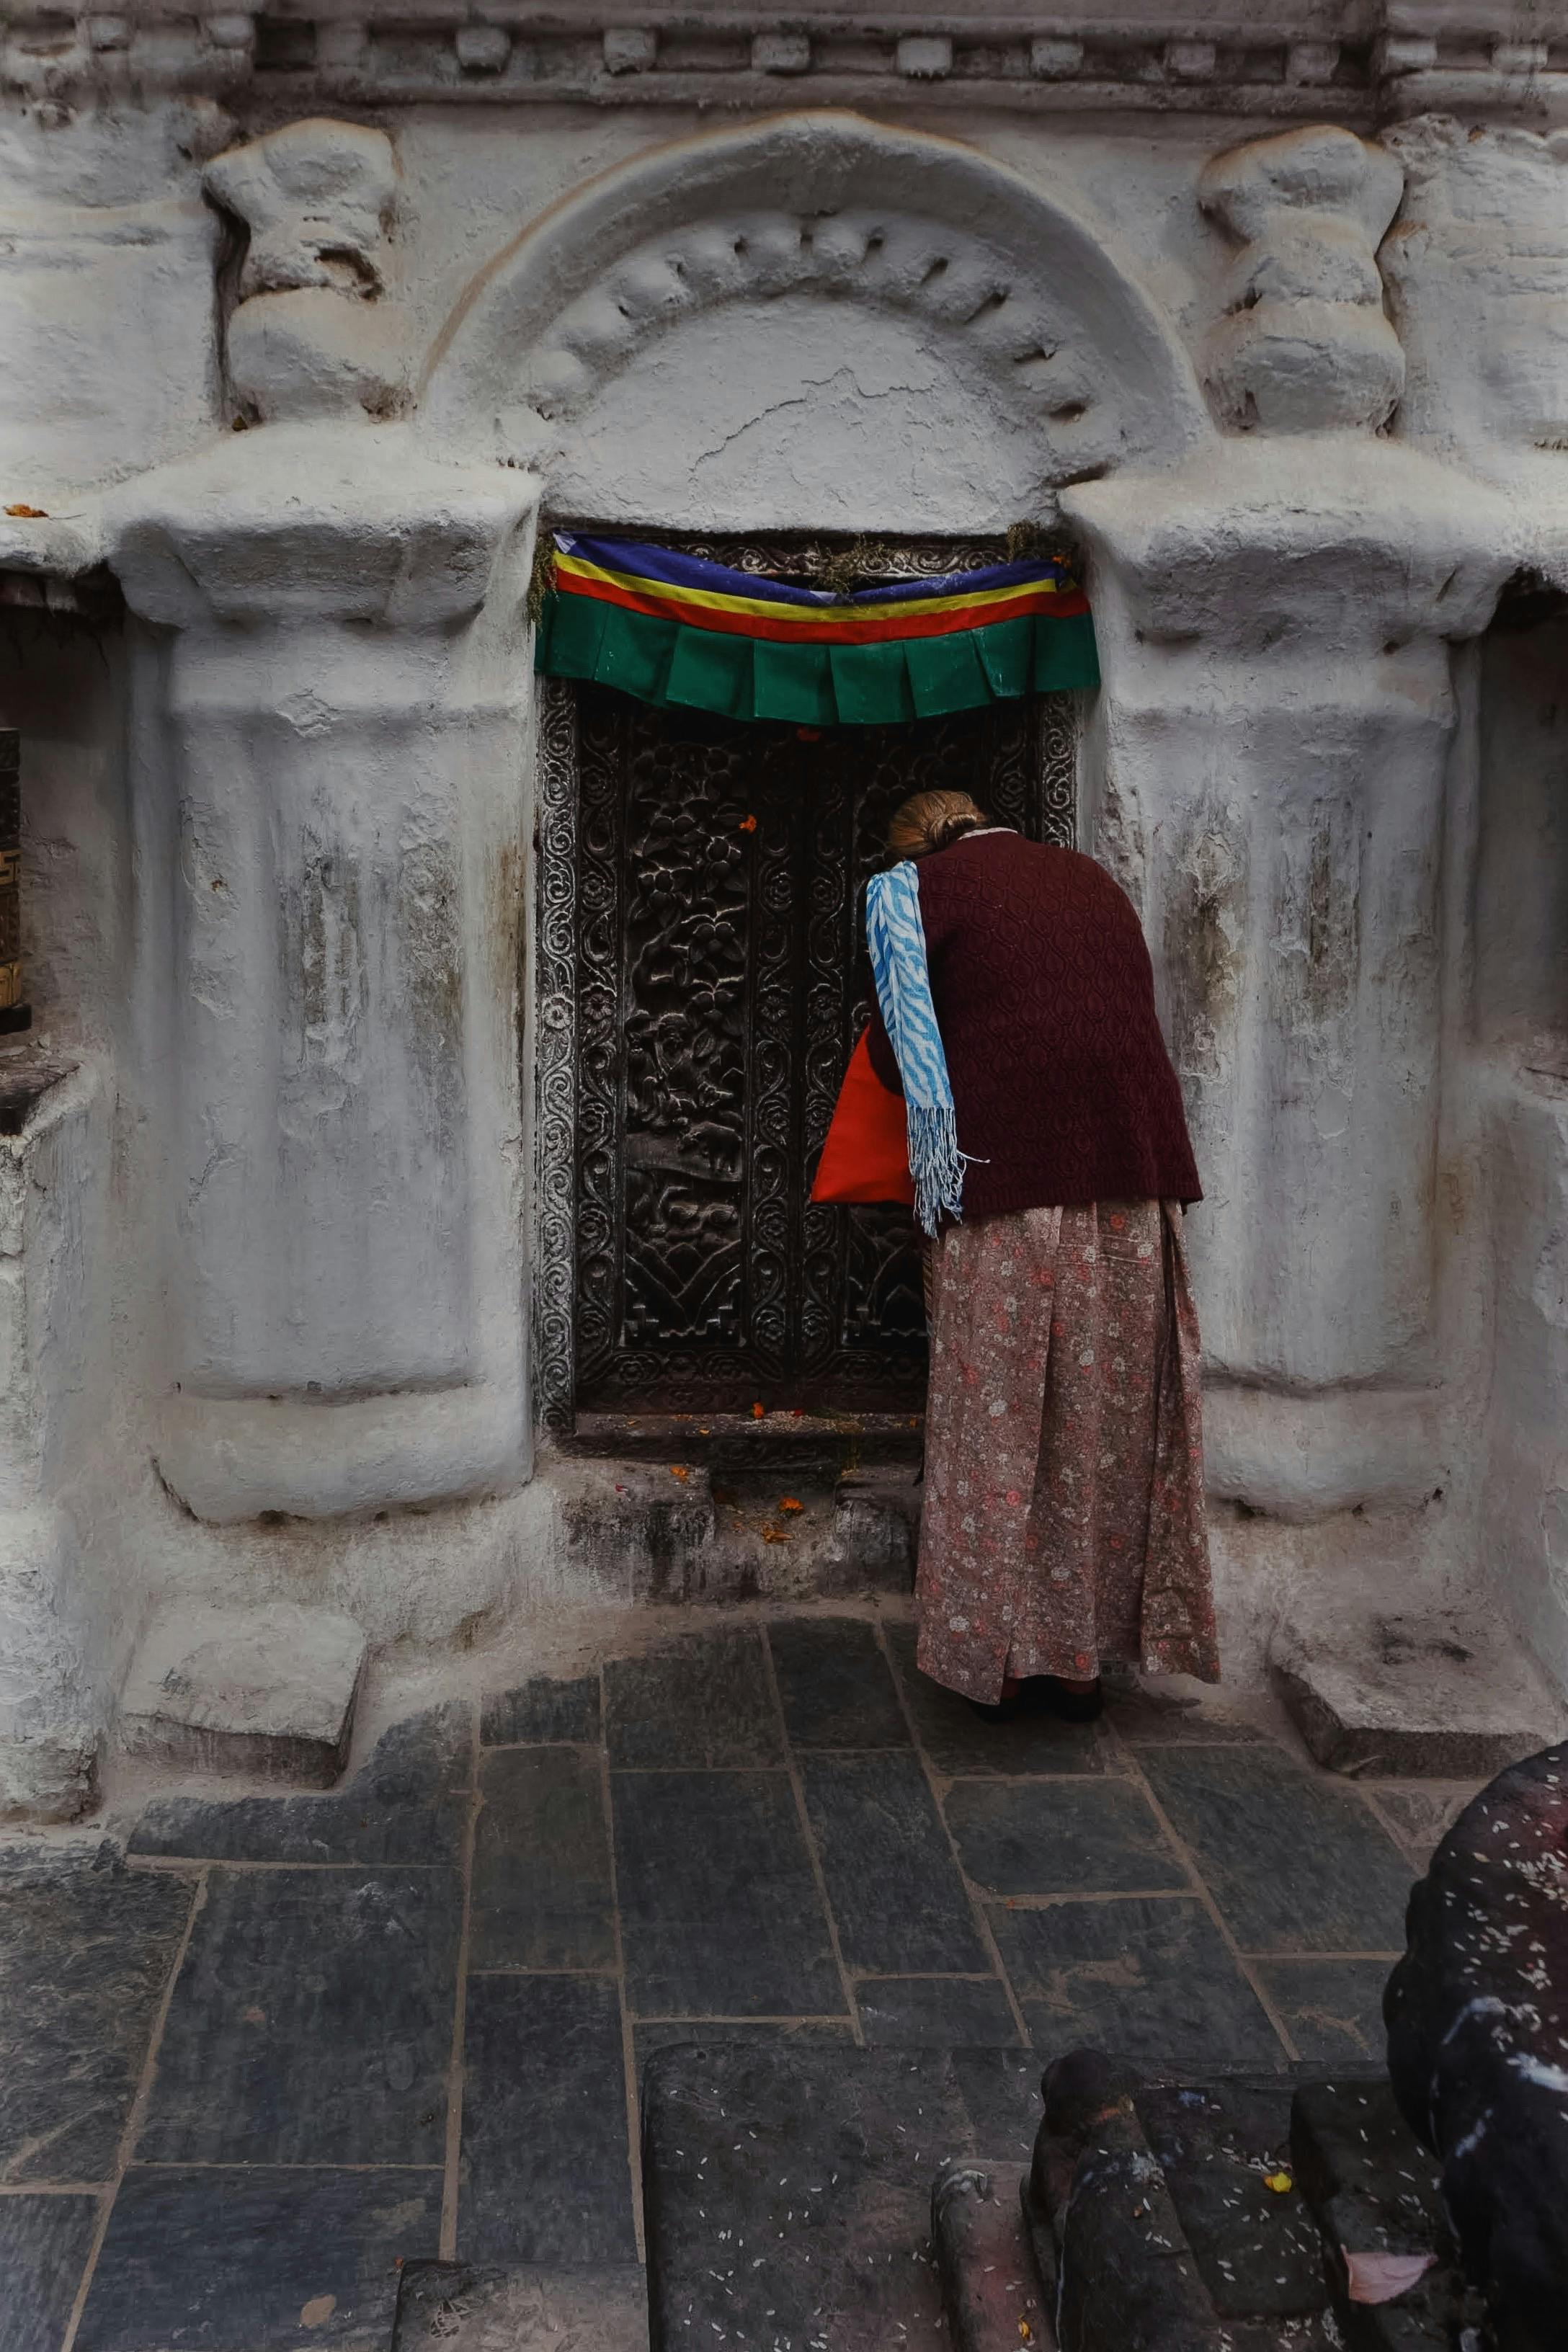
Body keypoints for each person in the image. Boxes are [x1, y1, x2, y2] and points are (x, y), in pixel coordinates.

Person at [865, 788, 1217, 1722]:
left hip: (1010, 1185)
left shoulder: (915, 894)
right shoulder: (1090, 877)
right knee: (1095, 1426)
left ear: (918, 849)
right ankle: (1079, 1658)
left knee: (998, 1417)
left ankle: (1006, 1660)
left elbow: (904, 1058)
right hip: (1131, 1185)